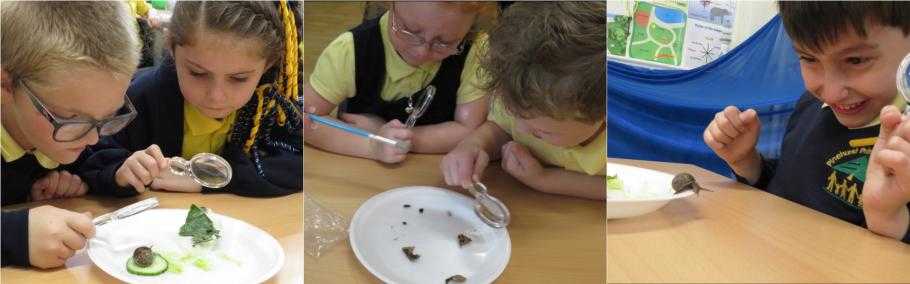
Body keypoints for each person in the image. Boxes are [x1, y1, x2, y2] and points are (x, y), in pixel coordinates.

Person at [703, 1, 910, 243]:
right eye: (809, 59)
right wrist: (747, 163)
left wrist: (889, 220)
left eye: (855, 60)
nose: (831, 93)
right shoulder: (810, 106)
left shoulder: (903, 147)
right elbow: (786, 188)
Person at [81, 1, 303, 197]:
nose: (216, 96)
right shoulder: (137, 98)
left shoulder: (274, 106)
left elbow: (299, 165)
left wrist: (214, 179)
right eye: (197, 73)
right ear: (172, 48)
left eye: (239, 78)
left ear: (268, 66)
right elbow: (88, 159)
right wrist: (120, 172)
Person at [1, 1, 142, 268]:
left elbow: (96, 158)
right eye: (72, 119)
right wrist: (15, 236)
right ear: (5, 85)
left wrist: (119, 173)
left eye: (109, 116)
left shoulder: (69, 116)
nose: (92, 139)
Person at [440, 2, 606, 200]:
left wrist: (544, 180)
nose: (520, 129)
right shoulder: (525, 100)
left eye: (543, 132)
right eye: (512, 113)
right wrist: (474, 146)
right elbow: (500, 128)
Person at [304, 2, 498, 163]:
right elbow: (304, 118)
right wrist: (372, 145)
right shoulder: (352, 50)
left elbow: (471, 131)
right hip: (363, 175)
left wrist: (399, 138)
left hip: (433, 178)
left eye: (445, 42)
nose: (421, 52)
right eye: (409, 31)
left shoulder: (476, 51)